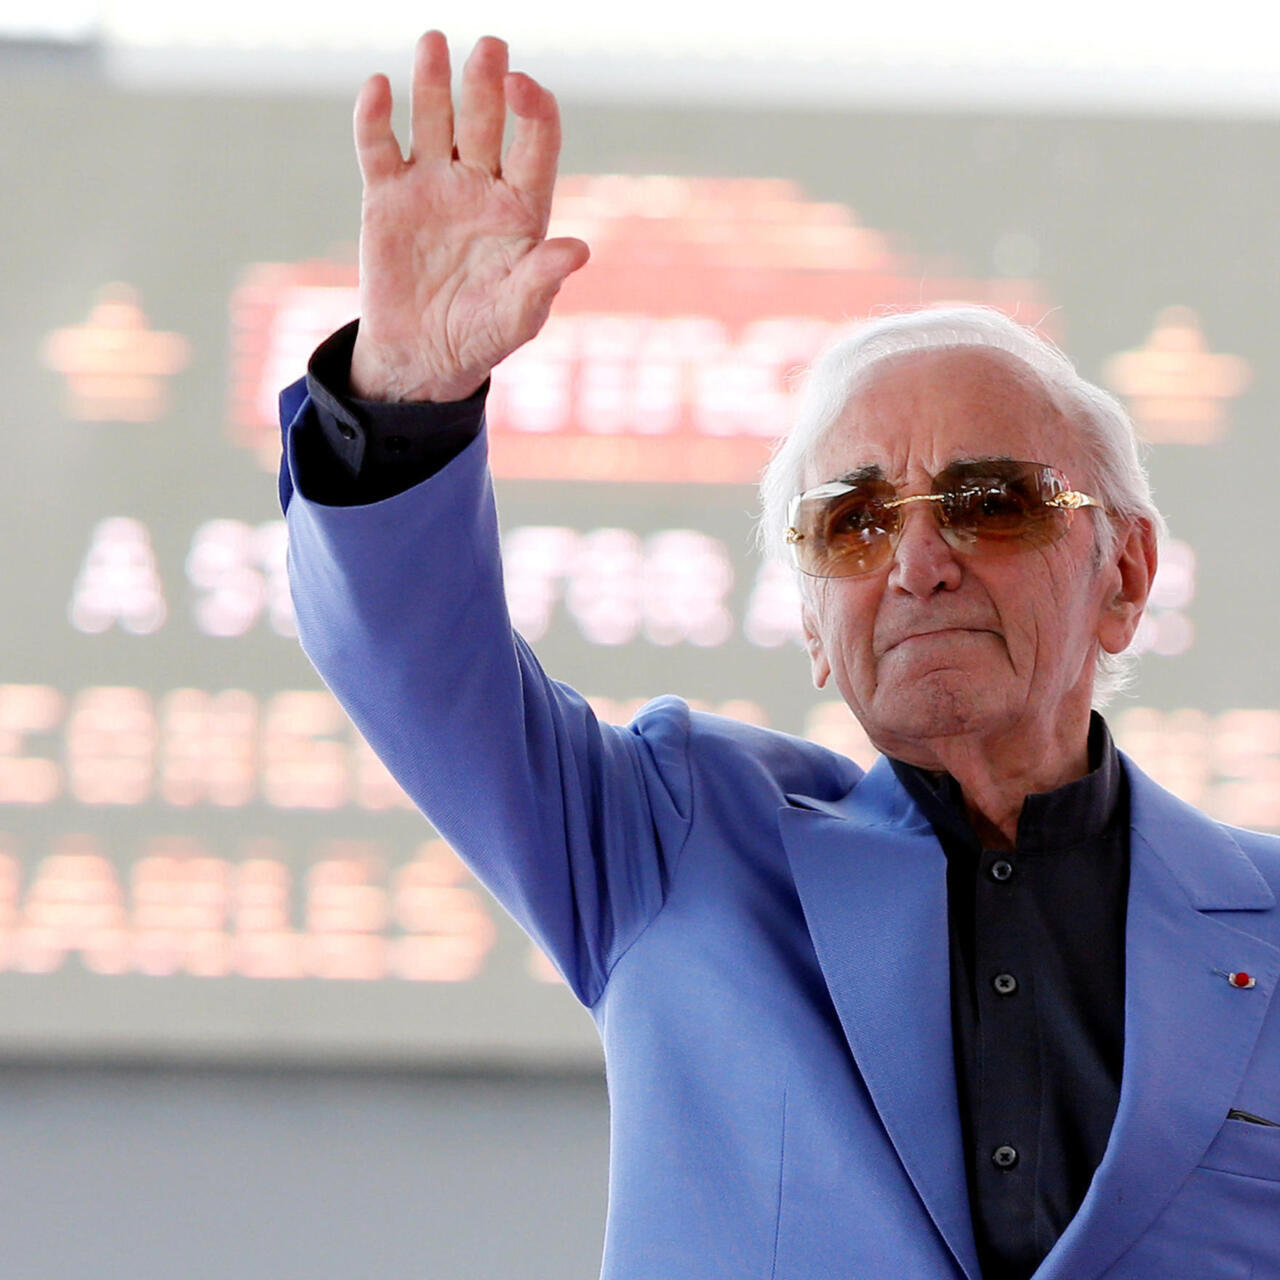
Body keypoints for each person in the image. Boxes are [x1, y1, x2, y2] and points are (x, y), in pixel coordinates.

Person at [279, 31, 1280, 1280]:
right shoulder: (672, 845)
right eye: (853, 523)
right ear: (812, 621)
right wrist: (403, 398)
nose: (919, 561)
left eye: (989, 499)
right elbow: (413, 662)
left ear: (1122, 574)